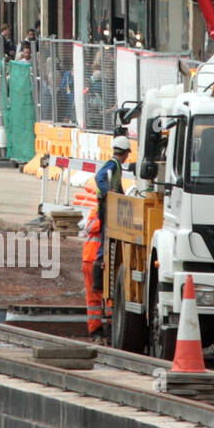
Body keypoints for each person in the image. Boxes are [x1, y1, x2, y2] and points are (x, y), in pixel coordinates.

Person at [92, 136, 131, 282]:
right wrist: (109, 193)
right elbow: (99, 178)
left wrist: (123, 197)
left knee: (108, 238)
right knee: (105, 237)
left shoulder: (116, 166)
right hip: (105, 206)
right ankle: (98, 278)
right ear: (125, 152)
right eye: (128, 153)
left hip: (109, 205)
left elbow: (117, 186)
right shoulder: (112, 164)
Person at [81, 207, 107, 343]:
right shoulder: (96, 211)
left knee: (108, 297)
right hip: (92, 259)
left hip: (102, 259)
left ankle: (109, 329)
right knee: (94, 298)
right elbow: (90, 226)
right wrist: (104, 218)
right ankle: (96, 331)